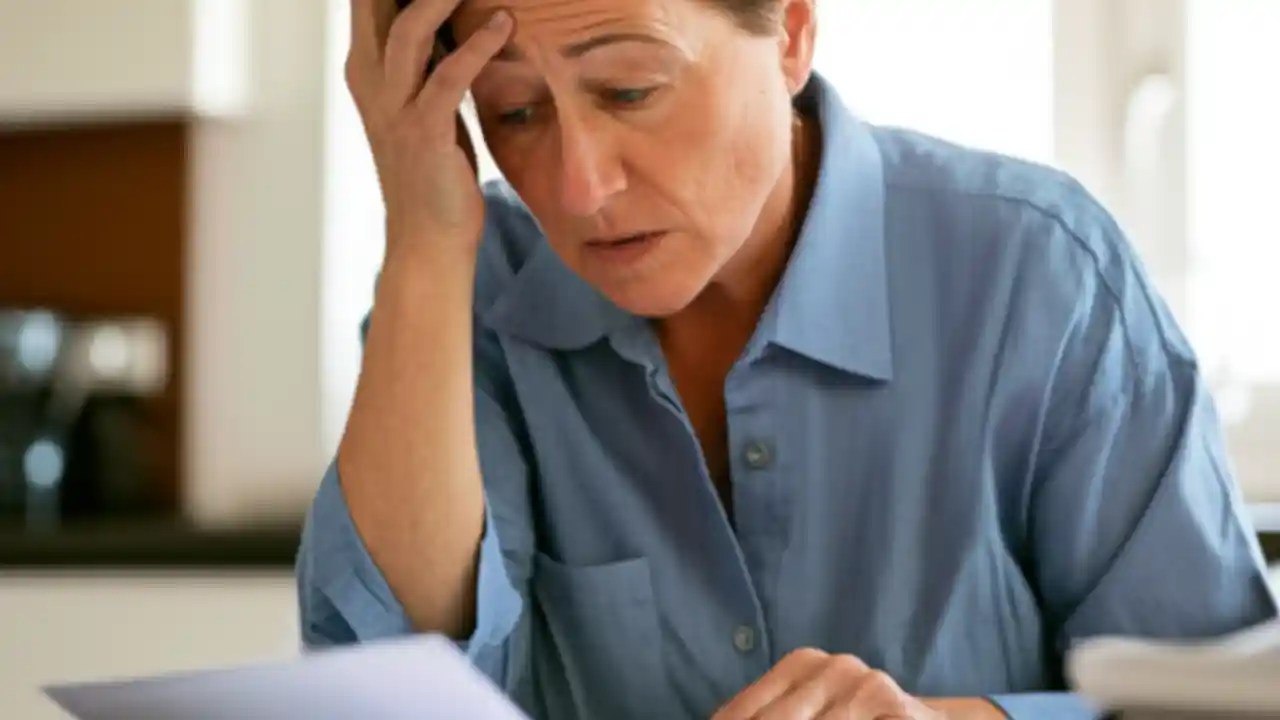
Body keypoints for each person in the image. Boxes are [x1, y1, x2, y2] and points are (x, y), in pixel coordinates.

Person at [295, 0, 1279, 717]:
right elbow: (389, 687)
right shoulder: (466, 292)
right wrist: (422, 235)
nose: (579, 184)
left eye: (628, 90)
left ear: (792, 34)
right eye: (515, 114)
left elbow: (1203, 698)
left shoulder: (1038, 272)